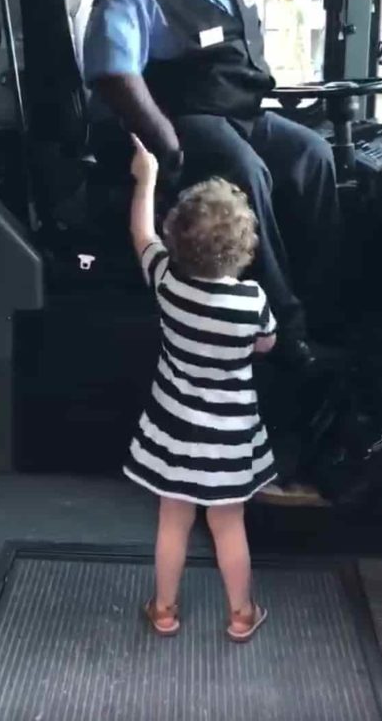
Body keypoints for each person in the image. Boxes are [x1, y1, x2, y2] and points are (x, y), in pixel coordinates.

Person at [84, 0, 339, 368]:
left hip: (244, 109)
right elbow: (114, 76)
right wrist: (169, 148)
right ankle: (286, 333)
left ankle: (330, 306)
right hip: (187, 116)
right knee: (247, 173)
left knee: (315, 155)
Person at [125, 135, 277, 641]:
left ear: (177, 240)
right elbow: (267, 344)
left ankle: (164, 610)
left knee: (173, 521)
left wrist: (145, 180)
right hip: (229, 438)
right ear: (242, 248)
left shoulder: (167, 281)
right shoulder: (251, 300)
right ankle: (241, 614)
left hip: (173, 432)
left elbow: (140, 233)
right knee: (228, 525)